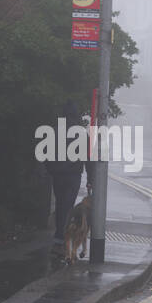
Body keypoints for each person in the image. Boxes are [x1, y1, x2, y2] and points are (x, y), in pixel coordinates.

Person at [46, 99, 94, 258]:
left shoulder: (54, 130)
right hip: (73, 175)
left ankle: (60, 240)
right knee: (68, 207)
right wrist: (90, 179)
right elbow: (88, 158)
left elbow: (46, 153)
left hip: (58, 175)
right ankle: (61, 240)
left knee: (61, 206)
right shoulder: (81, 133)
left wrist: (50, 169)